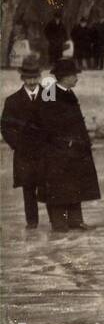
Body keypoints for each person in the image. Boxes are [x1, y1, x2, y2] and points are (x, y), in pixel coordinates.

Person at [36, 58, 100, 232]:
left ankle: (75, 220)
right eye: (74, 75)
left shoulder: (69, 93)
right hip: (57, 151)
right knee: (57, 188)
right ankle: (59, 223)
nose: (76, 78)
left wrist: (85, 141)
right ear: (64, 77)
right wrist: (66, 142)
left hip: (74, 150)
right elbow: (46, 123)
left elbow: (76, 122)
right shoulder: (49, 94)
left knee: (75, 185)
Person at [2, 55, 46, 228]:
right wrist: (18, 145)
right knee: (28, 189)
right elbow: (6, 128)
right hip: (25, 154)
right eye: (28, 77)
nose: (32, 80)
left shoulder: (50, 97)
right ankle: (32, 222)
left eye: (35, 76)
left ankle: (56, 221)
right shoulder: (12, 101)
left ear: (40, 77)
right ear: (22, 77)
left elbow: (58, 122)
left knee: (50, 186)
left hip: (45, 151)